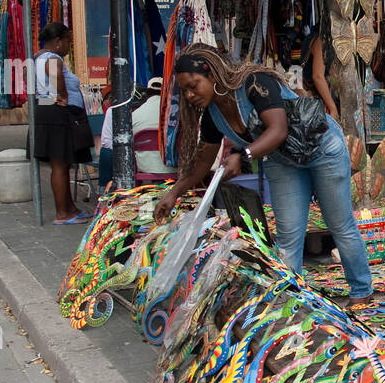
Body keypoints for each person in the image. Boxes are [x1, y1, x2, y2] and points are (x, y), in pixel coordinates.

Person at [152, 45, 373, 304]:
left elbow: (277, 129)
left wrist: (243, 155)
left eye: (193, 85)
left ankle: (361, 291)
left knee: (339, 224)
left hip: (323, 149)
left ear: (211, 74)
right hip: (283, 160)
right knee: (288, 235)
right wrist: (174, 192)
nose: (189, 95)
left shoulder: (254, 83)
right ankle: (291, 299)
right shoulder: (213, 116)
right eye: (185, 90)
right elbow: (202, 163)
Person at [32, 22, 93, 225]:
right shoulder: (52, 58)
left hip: (47, 107)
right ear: (58, 41)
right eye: (68, 41)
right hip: (57, 113)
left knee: (63, 164)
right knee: (59, 164)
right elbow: (55, 73)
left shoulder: (38, 56)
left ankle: (69, 208)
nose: (69, 46)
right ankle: (62, 213)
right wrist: (63, 94)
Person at [300, 31, 340, 119]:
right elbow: (317, 76)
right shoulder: (321, 40)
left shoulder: (314, 37)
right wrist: (332, 108)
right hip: (316, 97)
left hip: (314, 97)